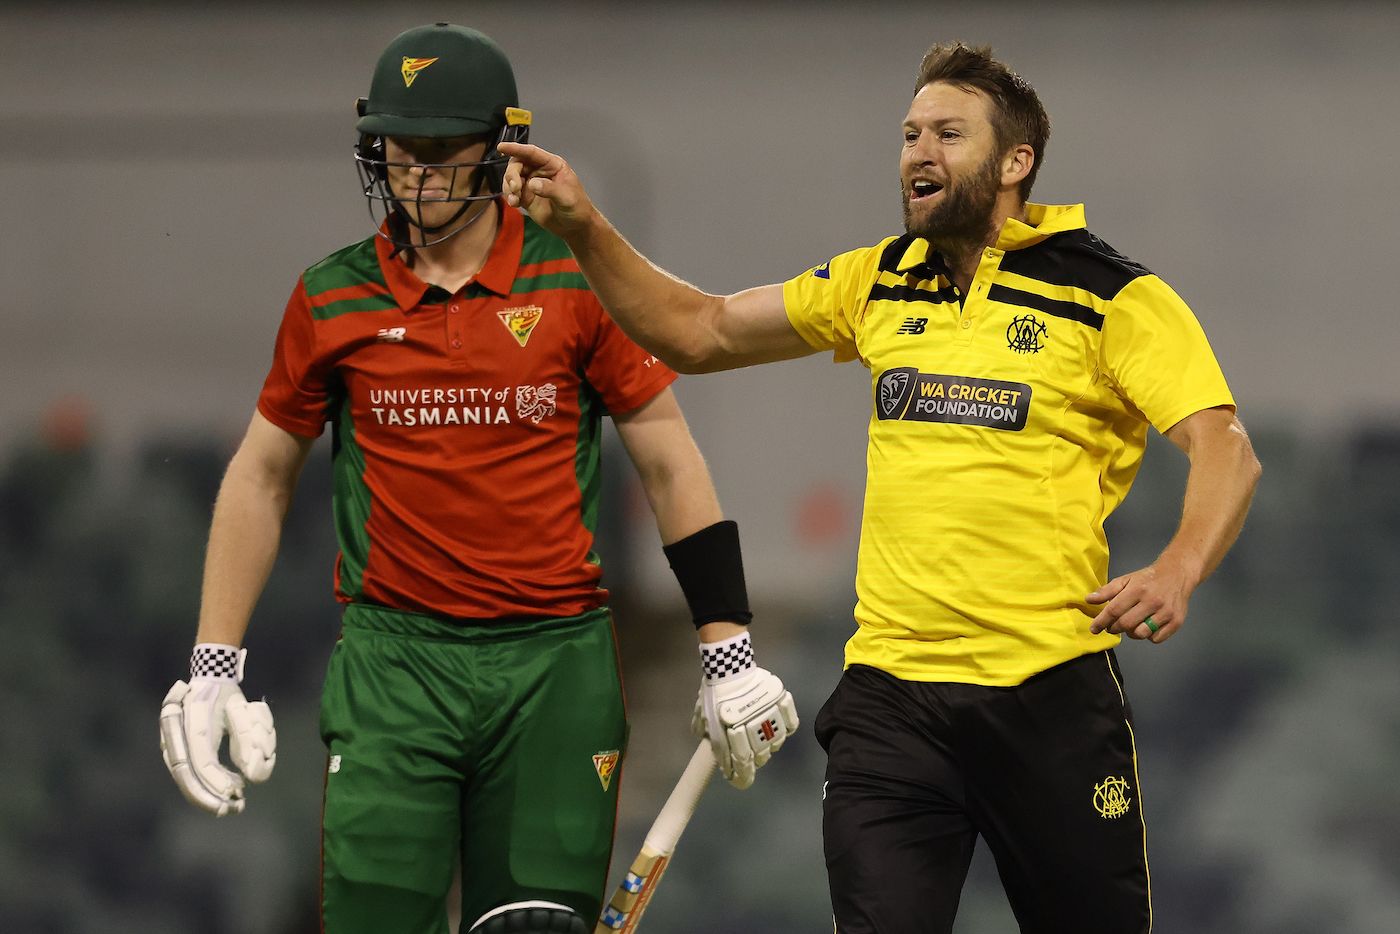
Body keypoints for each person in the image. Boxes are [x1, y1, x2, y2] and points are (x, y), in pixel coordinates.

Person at [500, 41, 1262, 934]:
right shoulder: (878, 277)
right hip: (891, 702)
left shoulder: (1112, 295)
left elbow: (1225, 447)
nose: (918, 153)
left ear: (1016, 162)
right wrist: (585, 226)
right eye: (909, 134)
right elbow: (698, 332)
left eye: (948, 133)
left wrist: (1176, 569)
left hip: (1049, 696)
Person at [156, 23, 797, 934]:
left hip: (554, 667)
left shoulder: (578, 279)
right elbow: (261, 474)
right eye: (398, 147)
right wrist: (214, 666)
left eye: (440, 150)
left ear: (499, 152)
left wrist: (726, 646)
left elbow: (667, 455)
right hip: (393, 665)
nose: (414, 172)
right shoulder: (329, 296)